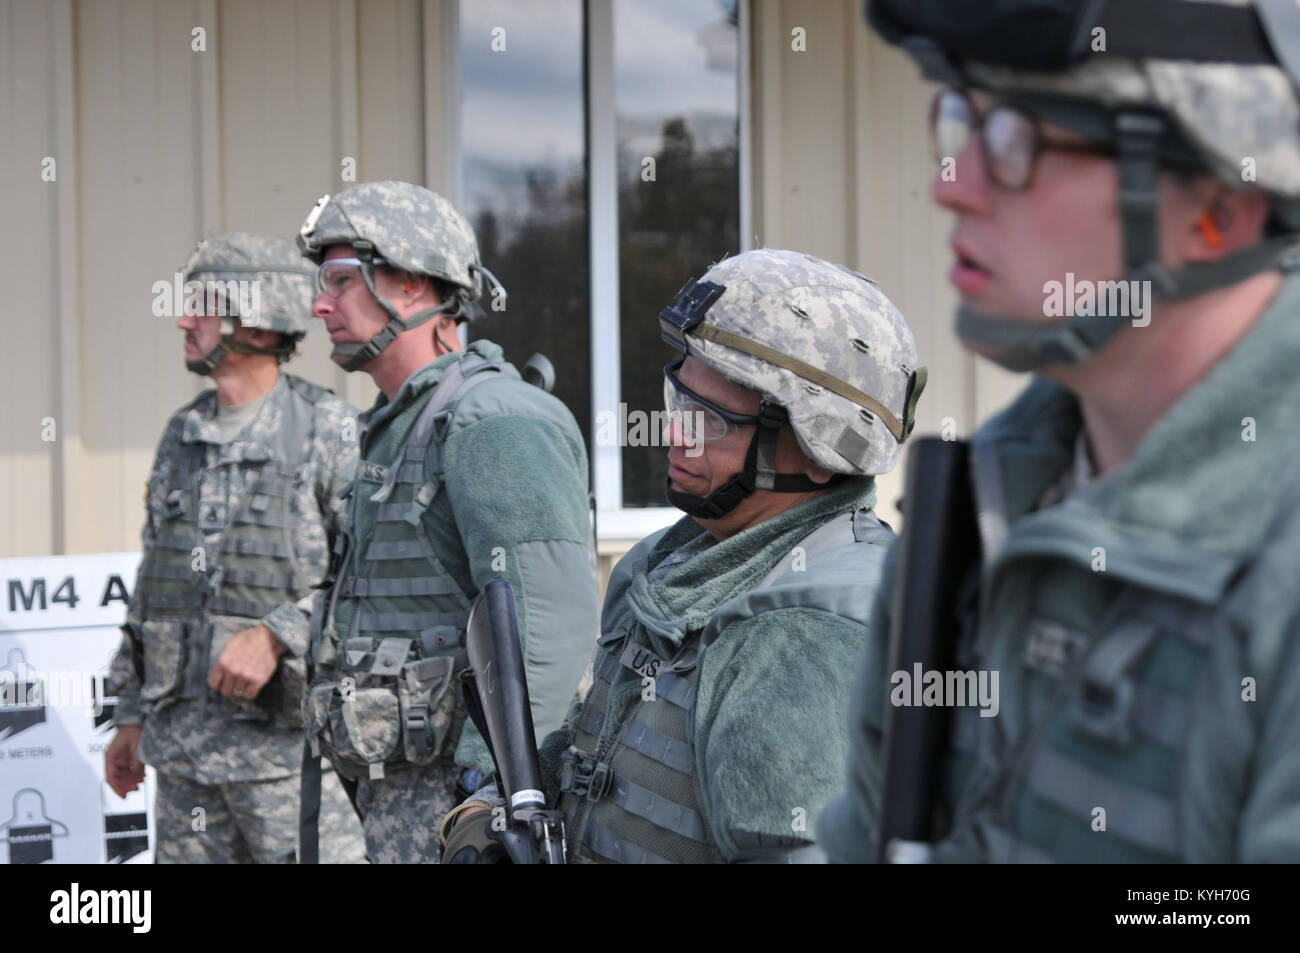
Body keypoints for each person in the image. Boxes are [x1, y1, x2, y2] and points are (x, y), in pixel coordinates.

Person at [819, 0, 1300, 863]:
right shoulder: (982, 505)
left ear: (1219, 210)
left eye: (1018, 140)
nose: (949, 182)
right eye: (962, 115)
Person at [442, 248, 925, 863]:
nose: (674, 433)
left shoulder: (803, 632)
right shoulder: (673, 562)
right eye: (679, 401)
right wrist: (495, 808)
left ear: (817, 446)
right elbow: (602, 744)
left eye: (709, 419)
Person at [296, 181, 600, 863]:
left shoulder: (494, 421)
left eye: (341, 280)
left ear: (409, 285)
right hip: (401, 804)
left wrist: (500, 804)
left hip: (466, 816)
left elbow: (549, 628)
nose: (320, 303)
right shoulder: (396, 426)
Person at [105, 233, 366, 864]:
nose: (183, 319)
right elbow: (154, 584)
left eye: (202, 303)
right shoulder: (182, 434)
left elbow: (367, 578)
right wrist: (130, 713)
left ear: (257, 318)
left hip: (291, 759)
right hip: (184, 759)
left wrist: (277, 633)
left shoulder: (330, 432)